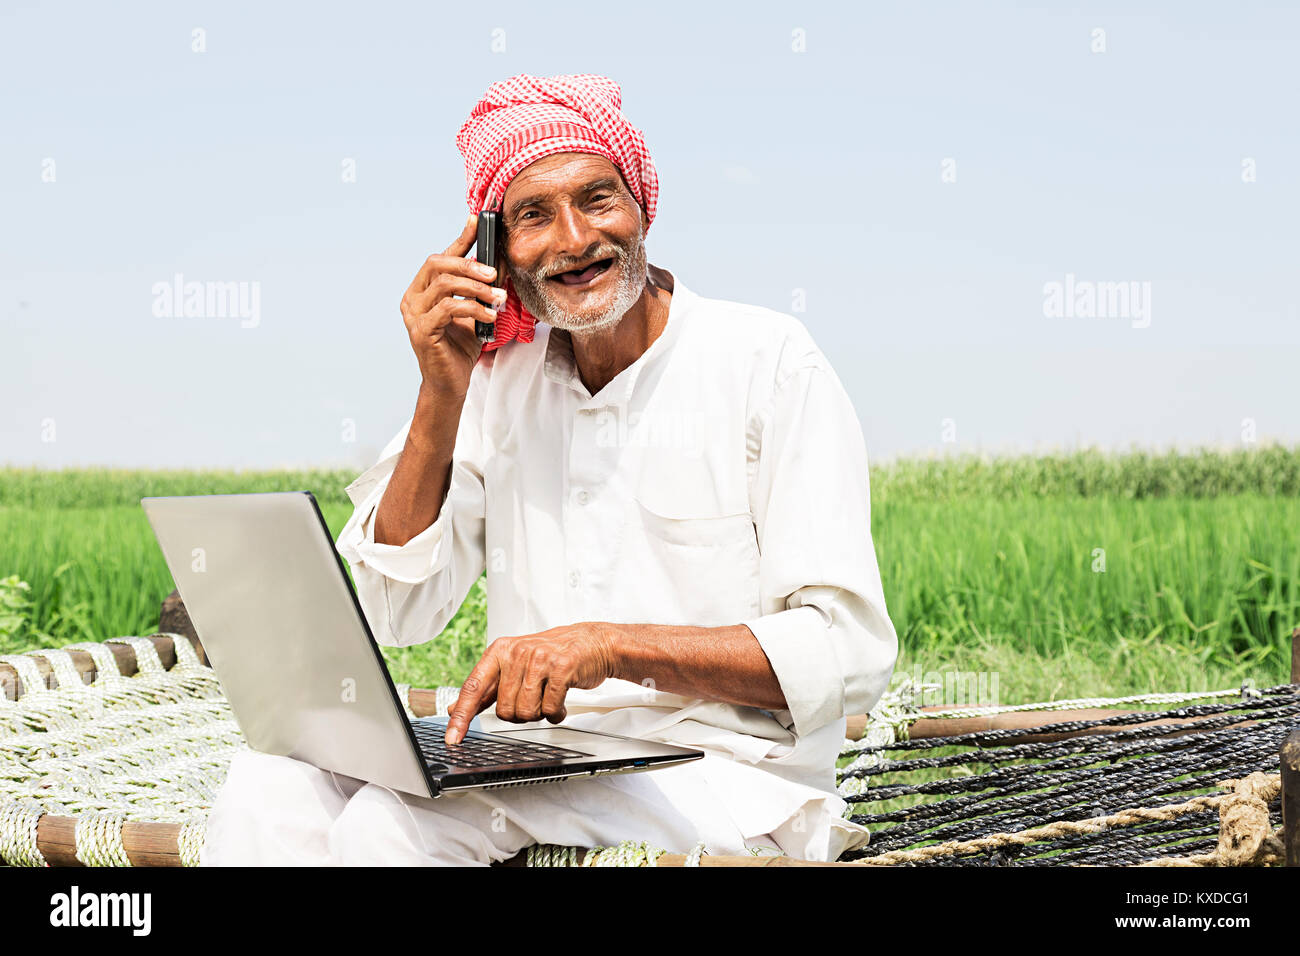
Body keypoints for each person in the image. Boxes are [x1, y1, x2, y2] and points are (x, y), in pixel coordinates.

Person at [199, 72, 898, 867]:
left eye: (597, 199)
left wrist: (608, 646)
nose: (573, 239)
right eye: (533, 215)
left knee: (386, 829)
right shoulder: (498, 378)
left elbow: (846, 656)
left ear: (641, 209)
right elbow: (398, 610)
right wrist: (441, 390)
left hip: (726, 781)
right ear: (496, 248)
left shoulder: (767, 362)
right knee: (268, 783)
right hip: (536, 761)